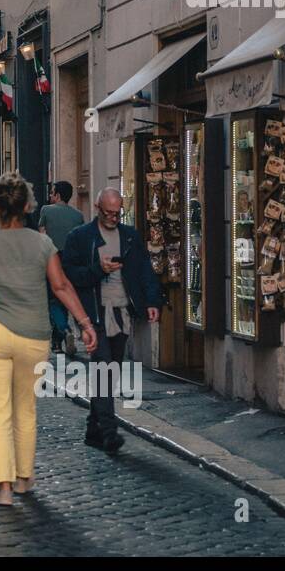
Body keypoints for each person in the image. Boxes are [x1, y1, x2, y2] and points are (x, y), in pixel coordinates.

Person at [0, 173, 98, 506]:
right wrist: (85, 323)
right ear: (28, 206)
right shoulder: (42, 243)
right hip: (33, 336)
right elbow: (60, 286)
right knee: (25, 409)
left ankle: (3, 487)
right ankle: (24, 478)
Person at [61, 187, 165, 455]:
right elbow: (71, 277)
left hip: (122, 312)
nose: (113, 218)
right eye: (109, 213)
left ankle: (93, 430)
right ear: (97, 209)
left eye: (117, 213)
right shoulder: (80, 238)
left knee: (111, 371)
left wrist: (152, 302)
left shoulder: (129, 237)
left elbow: (144, 270)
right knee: (104, 368)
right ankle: (109, 432)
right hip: (94, 314)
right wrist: (99, 269)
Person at [38, 181, 87, 353]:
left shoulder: (46, 210)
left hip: (54, 258)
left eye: (52, 193)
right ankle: (58, 342)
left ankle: (64, 330)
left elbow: (42, 235)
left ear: (57, 195)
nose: (51, 196)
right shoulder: (78, 215)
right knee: (67, 298)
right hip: (72, 260)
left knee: (53, 300)